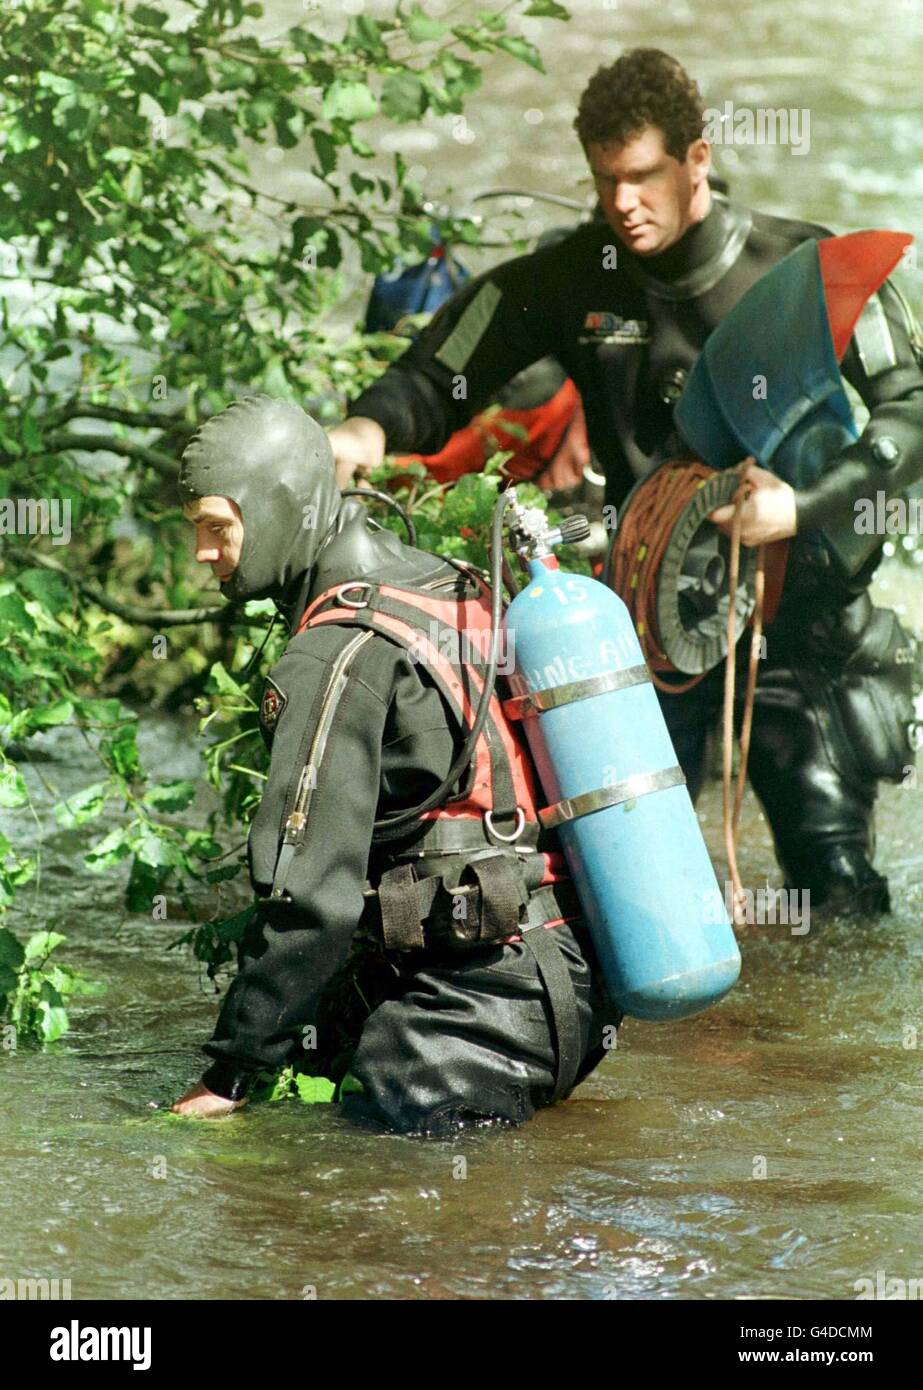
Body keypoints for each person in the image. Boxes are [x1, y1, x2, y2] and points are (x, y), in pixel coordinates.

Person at [328, 47, 923, 913]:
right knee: (626, 899)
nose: (621, 204)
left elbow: (912, 406)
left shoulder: (805, 270)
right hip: (648, 632)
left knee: (833, 902)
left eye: (643, 176)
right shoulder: (575, 277)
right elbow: (442, 372)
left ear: (698, 160)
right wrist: (368, 427)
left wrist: (802, 505)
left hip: (801, 628)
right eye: (603, 180)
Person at [170, 394, 620, 1129]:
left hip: (472, 1021)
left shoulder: (337, 650)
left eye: (217, 528)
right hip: (571, 978)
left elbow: (309, 900)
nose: (204, 553)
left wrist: (231, 1072)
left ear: (279, 509)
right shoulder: (442, 581)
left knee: (364, 1213)